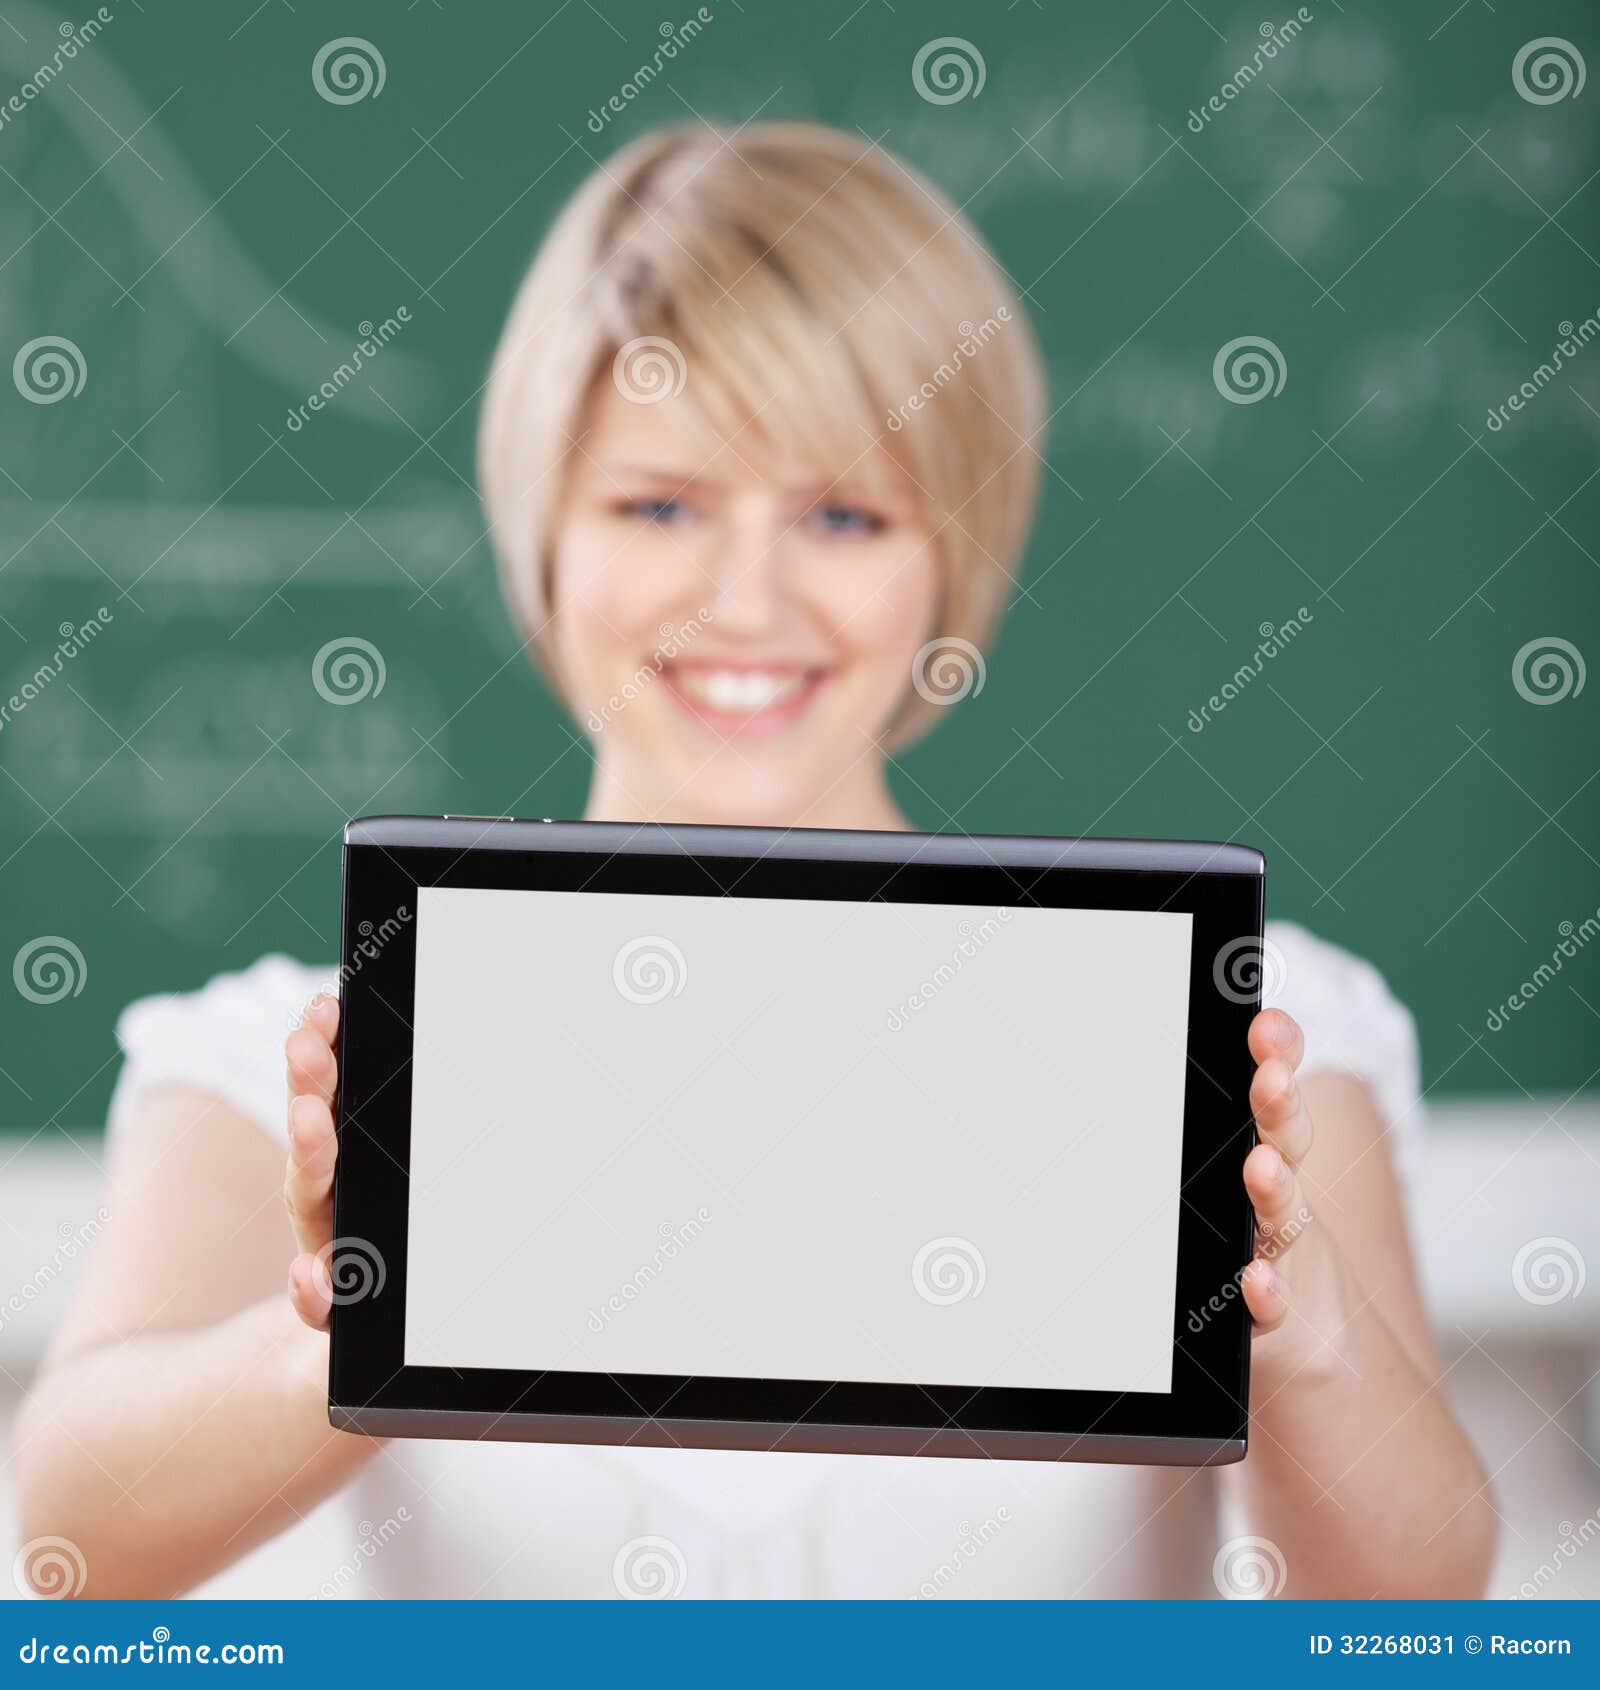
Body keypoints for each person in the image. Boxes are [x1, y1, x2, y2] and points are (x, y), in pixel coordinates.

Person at [14, 122, 1495, 1600]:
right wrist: (362, 1306)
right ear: (545, 534)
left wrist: (1302, 1336)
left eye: (842, 513)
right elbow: (71, 1545)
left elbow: (1410, 1614)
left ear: (949, 560)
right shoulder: (307, 1041)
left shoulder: (1232, 1016)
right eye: (659, 504)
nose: (744, 597)